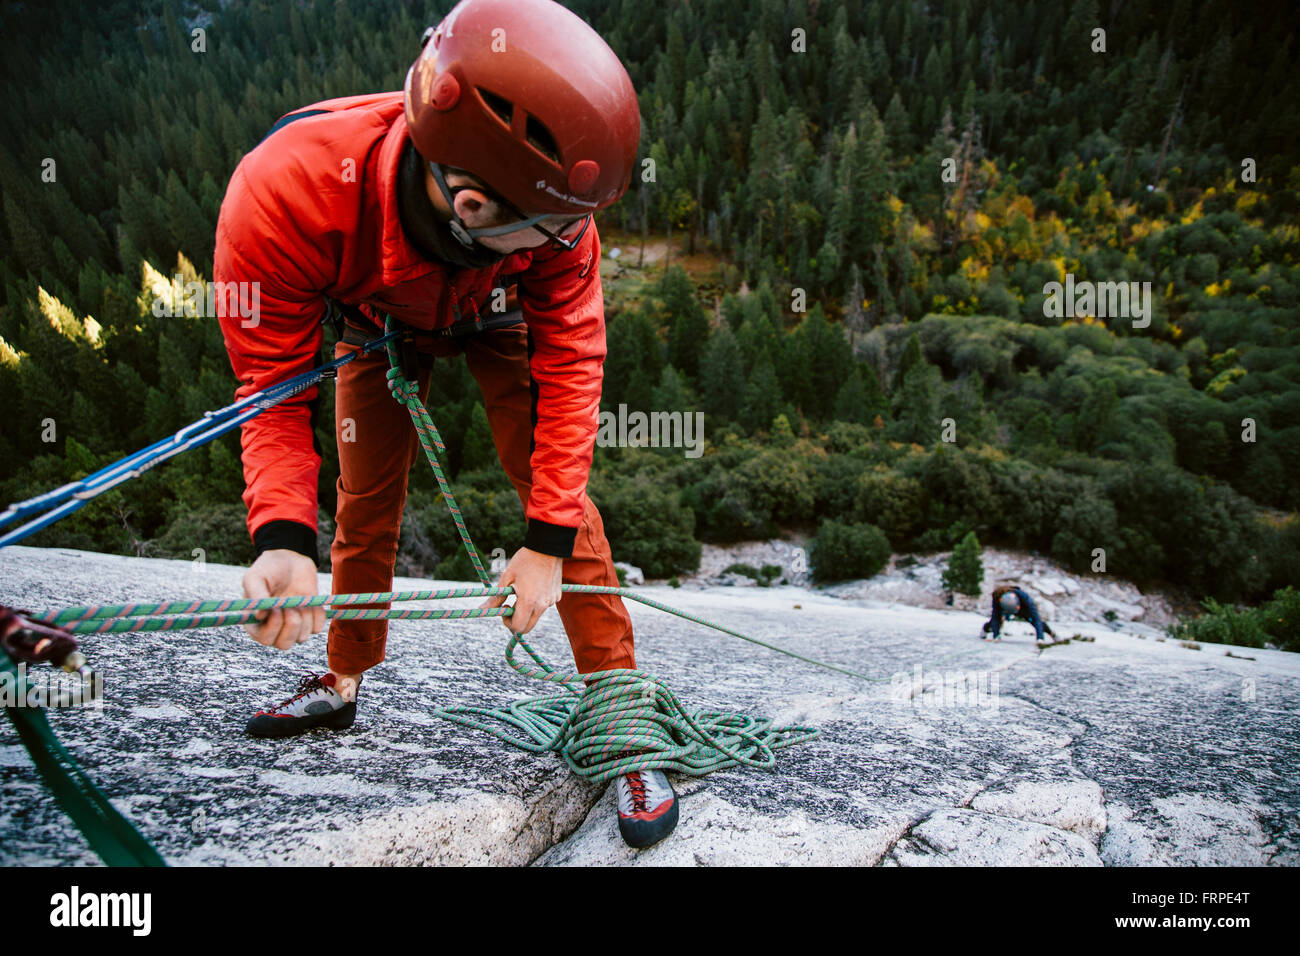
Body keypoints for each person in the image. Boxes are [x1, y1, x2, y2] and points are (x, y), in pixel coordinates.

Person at [213, 0, 678, 849]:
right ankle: (343, 675)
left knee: (566, 508)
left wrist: (543, 541)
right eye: (560, 228)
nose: (579, 242)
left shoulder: (548, 223)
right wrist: (281, 536)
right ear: (470, 202)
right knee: (366, 495)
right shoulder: (287, 189)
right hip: (377, 311)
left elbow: (572, 367)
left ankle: (623, 720)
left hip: (497, 303)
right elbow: (272, 388)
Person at [981, 585, 1057, 643]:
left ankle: (1052, 634)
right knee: (995, 622)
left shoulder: (1025, 598)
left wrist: (1040, 638)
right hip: (1006, 608)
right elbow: (995, 618)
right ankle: (985, 629)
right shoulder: (997, 599)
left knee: (1036, 622)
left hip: (1023, 609)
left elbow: (1036, 618)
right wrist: (996, 636)